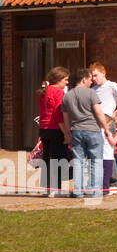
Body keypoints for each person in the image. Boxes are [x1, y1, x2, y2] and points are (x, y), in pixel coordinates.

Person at [61, 68, 110, 199]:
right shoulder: (91, 93)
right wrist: (106, 128)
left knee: (78, 161)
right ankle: (95, 191)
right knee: (96, 161)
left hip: (76, 130)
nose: (91, 82)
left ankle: (78, 191)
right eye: (89, 79)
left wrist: (67, 133)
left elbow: (65, 118)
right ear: (83, 79)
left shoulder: (67, 96)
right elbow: (99, 112)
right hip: (93, 130)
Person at [90, 63, 117, 193]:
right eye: (92, 76)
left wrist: (115, 113)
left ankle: (113, 182)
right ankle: (102, 182)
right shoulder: (93, 89)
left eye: (96, 75)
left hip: (108, 120)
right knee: (98, 153)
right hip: (96, 121)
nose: (94, 78)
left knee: (108, 152)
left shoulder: (111, 85)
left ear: (103, 73)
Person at [37, 67, 69, 197]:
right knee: (58, 158)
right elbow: (58, 114)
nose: (67, 82)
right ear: (59, 79)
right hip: (56, 129)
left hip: (44, 129)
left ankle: (47, 188)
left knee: (47, 159)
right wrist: (66, 132)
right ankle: (56, 189)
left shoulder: (43, 92)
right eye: (66, 79)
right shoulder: (59, 92)